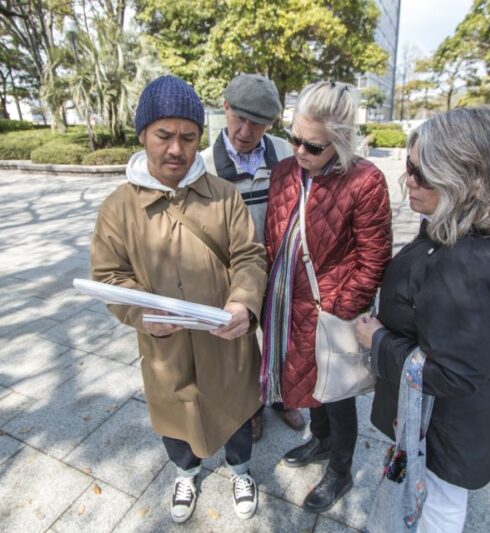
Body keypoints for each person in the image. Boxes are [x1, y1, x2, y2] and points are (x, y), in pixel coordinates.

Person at [355, 107, 490, 532]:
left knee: (435, 510)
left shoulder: (474, 263)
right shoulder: (454, 227)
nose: (408, 181)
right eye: (408, 166)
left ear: (465, 179)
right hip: (430, 418)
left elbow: (454, 375)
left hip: (448, 426)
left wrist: (378, 340)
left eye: (422, 172)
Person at [90, 75, 267, 523]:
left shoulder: (223, 196)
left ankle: (241, 469)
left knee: (237, 410)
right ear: (143, 135)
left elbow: (249, 254)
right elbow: (110, 275)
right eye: (164, 135)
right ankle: (185, 473)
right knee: (174, 415)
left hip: (225, 341)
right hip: (164, 345)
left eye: (189, 137)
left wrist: (244, 304)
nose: (176, 149)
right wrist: (140, 313)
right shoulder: (118, 208)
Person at [261, 80, 392, 513]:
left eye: (313, 146)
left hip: (330, 307)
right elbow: (272, 236)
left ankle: (340, 467)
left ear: (340, 141)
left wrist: (341, 305)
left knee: (336, 392)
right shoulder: (283, 171)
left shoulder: (365, 181)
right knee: (304, 382)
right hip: (286, 303)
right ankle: (319, 440)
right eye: (294, 138)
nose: (299, 150)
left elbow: (374, 257)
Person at [201, 73, 304, 441]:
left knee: (283, 339)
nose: (245, 130)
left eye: (257, 122)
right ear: (224, 107)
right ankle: (253, 406)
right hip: (233, 279)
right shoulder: (204, 167)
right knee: (242, 346)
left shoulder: (286, 153)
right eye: (239, 118)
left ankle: (284, 398)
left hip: (279, 272)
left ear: (271, 123)